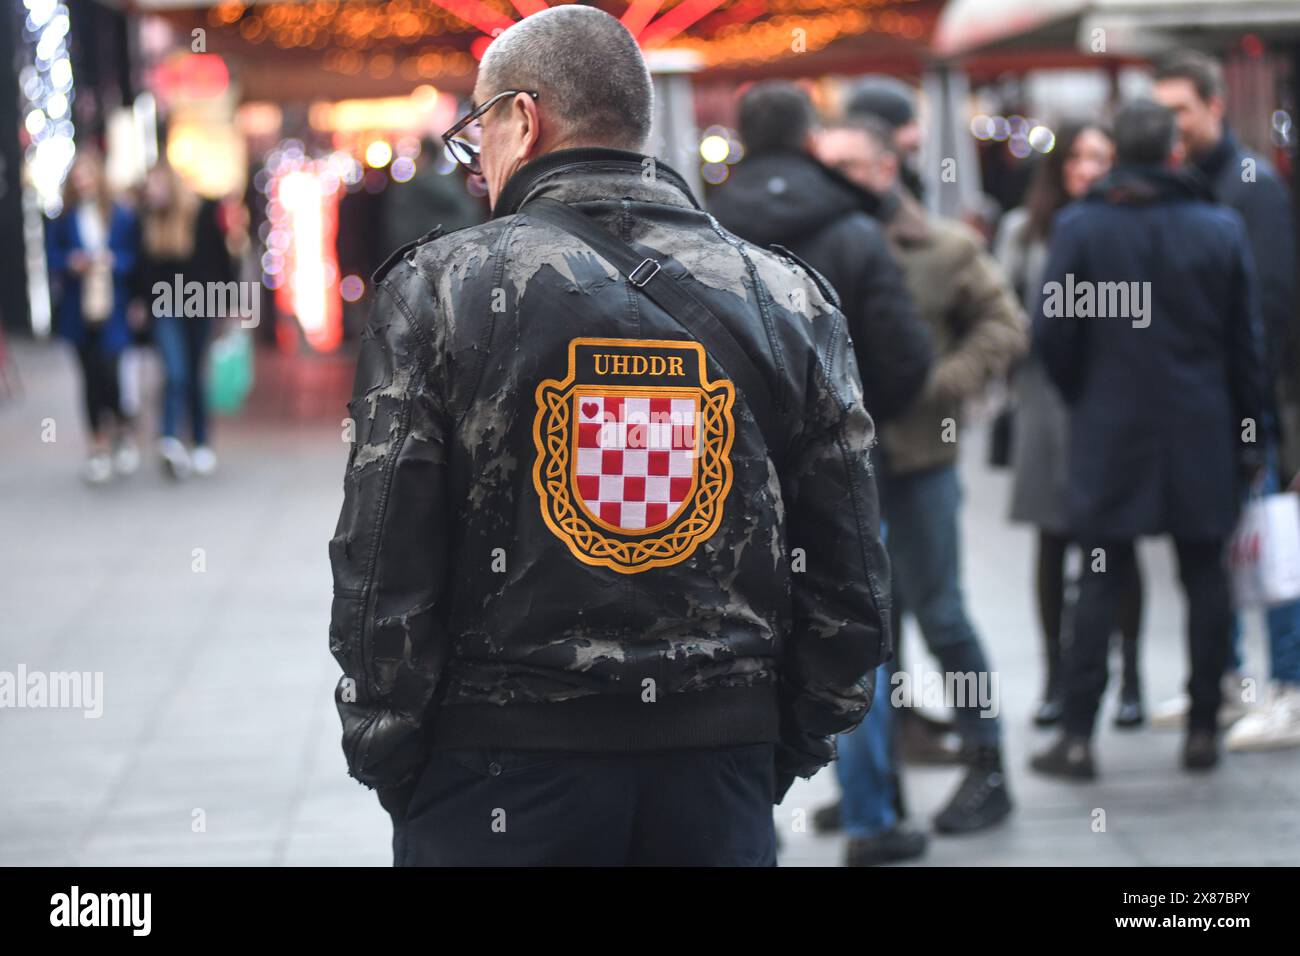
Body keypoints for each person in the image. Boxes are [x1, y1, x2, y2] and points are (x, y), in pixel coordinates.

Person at [328, 5, 891, 867]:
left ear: (524, 116)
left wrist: (399, 758)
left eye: (479, 129)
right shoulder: (786, 297)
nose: (476, 161)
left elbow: (381, 561)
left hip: (496, 766)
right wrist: (781, 741)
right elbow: (851, 557)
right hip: (718, 762)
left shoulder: (439, 291)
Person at [709, 80, 933, 866]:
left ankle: (751, 826)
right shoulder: (854, 228)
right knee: (853, 632)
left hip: (731, 478)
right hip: (840, 471)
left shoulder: (704, 228)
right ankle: (871, 820)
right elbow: (907, 358)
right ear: (811, 141)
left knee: (736, 646)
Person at [1031, 99, 1270, 778]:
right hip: (1201, 427)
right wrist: (1254, 436)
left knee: (1099, 581)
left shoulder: (1082, 227)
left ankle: (1078, 736)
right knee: (1206, 579)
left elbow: (1052, 331)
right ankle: (1202, 730)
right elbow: (1244, 342)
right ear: (1174, 153)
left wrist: (1087, 392)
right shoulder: (1218, 228)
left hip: (1111, 429)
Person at [818, 116, 1027, 834]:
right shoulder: (824, 243)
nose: (834, 173)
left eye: (847, 159)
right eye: (826, 161)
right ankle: (877, 786)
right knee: (873, 630)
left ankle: (987, 760)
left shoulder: (942, 246)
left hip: (920, 464)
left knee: (942, 614)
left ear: (883, 167)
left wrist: (941, 384)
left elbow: (1004, 324)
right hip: (850, 471)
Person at [1153, 50, 1300, 749]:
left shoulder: (1254, 185)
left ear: (1214, 105)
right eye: (1162, 112)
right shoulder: (1186, 183)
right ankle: (1229, 683)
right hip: (1195, 409)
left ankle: (1290, 688)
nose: (1171, 124)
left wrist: (1249, 407)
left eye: (1181, 108)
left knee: (1269, 544)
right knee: (1218, 555)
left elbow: (1269, 310)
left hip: (1246, 406)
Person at [995, 121, 1147, 729]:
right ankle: (1057, 680)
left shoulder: (1131, 223)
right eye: (1078, 157)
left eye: (1101, 156)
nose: (1088, 168)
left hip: (1115, 400)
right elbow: (1002, 307)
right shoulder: (1024, 229)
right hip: (1044, 400)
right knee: (1052, 540)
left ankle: (1129, 678)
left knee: (1118, 541)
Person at [46, 151, 140, 484]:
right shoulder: (64, 219)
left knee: (111, 372)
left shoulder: (120, 216)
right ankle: (97, 445)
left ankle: (122, 430)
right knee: (89, 379)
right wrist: (71, 262)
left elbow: (135, 258)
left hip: (112, 307)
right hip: (78, 309)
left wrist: (114, 261)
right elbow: (52, 257)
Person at [138, 163, 234, 479]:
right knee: (175, 371)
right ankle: (168, 439)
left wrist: (228, 302)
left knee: (195, 374)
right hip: (165, 306)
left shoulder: (203, 211)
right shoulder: (149, 220)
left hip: (200, 302)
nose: (151, 193)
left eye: (156, 186)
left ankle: (201, 441)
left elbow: (223, 259)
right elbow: (145, 269)